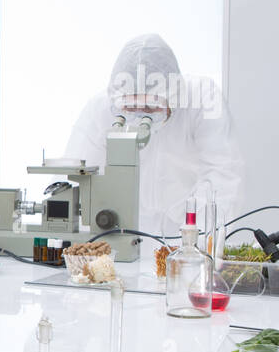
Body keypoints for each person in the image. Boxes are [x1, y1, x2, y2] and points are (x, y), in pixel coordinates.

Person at [64, 33, 244, 236]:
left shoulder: (203, 100)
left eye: (150, 107)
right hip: (120, 231)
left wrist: (199, 239)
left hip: (187, 230)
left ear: (173, 96)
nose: (141, 116)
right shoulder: (101, 109)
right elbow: (73, 177)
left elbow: (223, 176)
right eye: (131, 107)